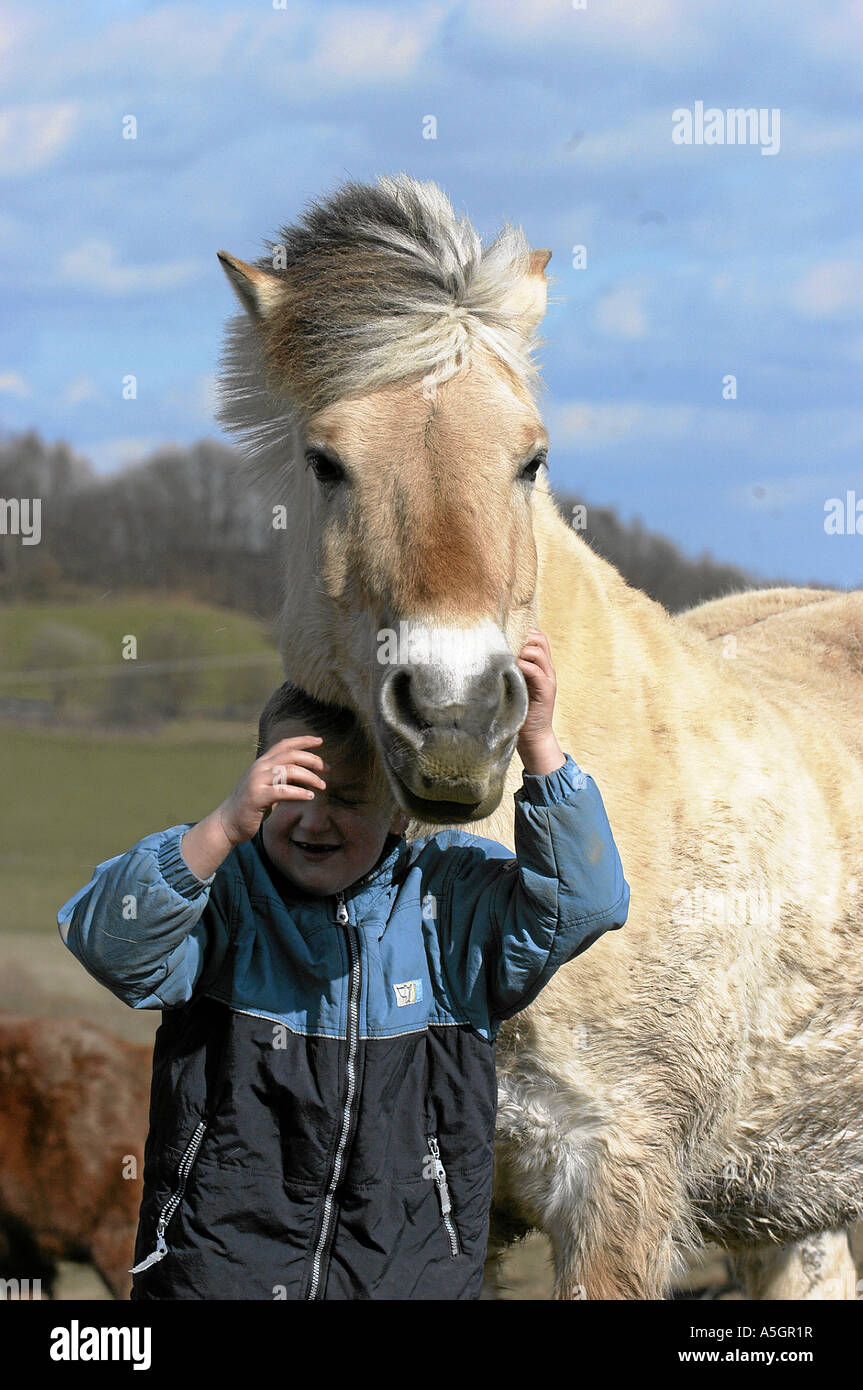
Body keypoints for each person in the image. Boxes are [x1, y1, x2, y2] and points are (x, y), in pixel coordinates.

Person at [57, 628, 629, 1300]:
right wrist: (216, 831)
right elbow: (113, 947)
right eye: (290, 790)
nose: (313, 822)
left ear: (401, 807)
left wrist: (537, 747)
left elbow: (585, 902)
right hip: (219, 1275)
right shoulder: (223, 895)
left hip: (408, 1278)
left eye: (349, 798)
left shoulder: (447, 906)